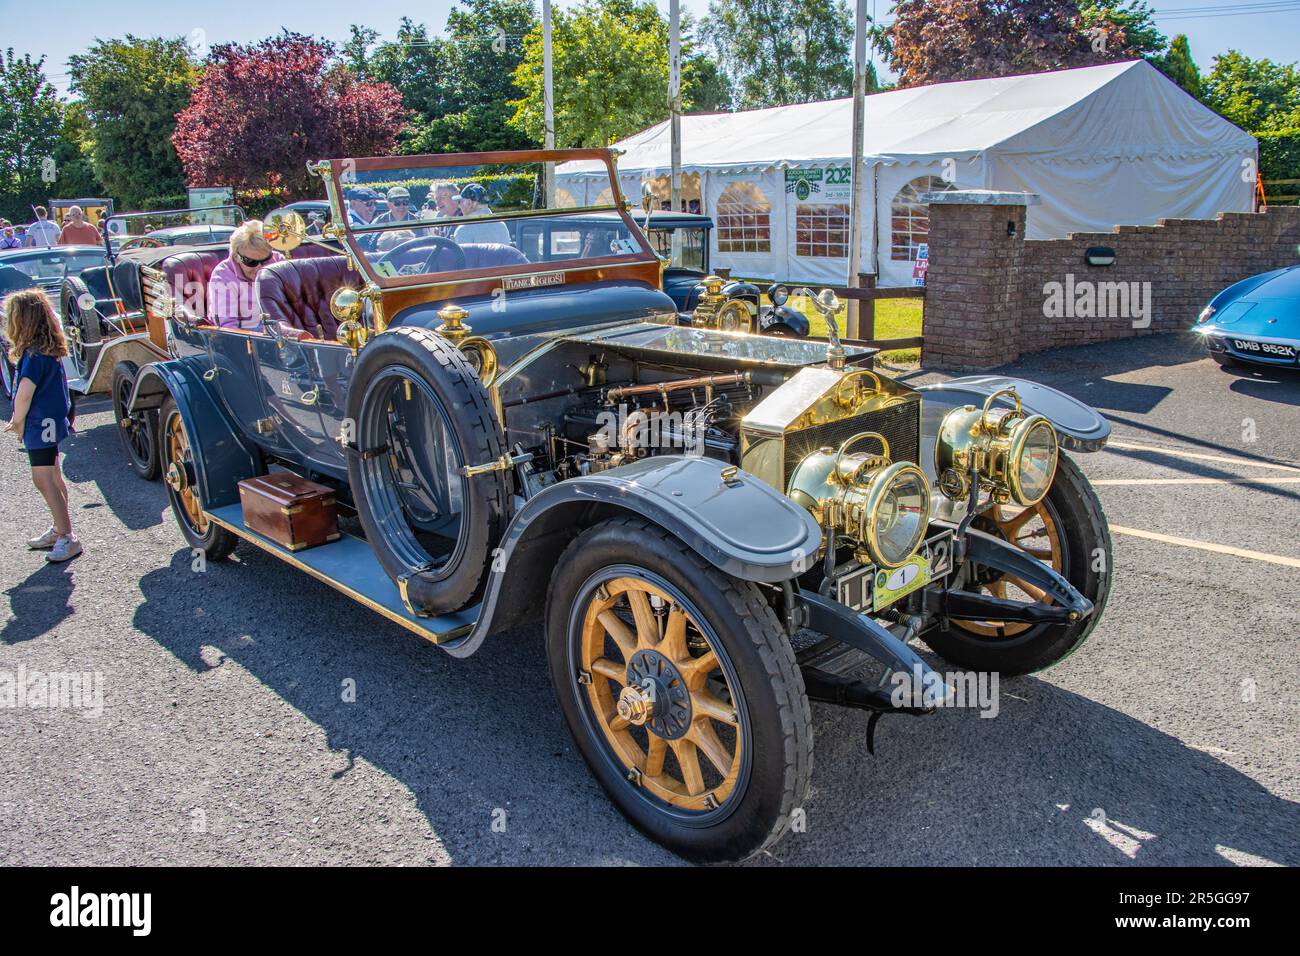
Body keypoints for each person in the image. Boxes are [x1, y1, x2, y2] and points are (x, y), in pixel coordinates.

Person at [3, 289, 80, 562]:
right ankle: (60, 528)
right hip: (51, 419)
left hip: (40, 423)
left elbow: (24, 393)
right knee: (54, 476)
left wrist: (17, 421)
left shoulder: (33, 357)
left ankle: (67, 536)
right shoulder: (47, 351)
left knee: (43, 478)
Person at [206, 220, 283, 329]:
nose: (259, 268)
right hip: (247, 333)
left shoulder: (278, 260)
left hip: (282, 328)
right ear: (236, 256)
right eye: (251, 262)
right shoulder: (222, 276)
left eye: (265, 260)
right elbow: (227, 326)